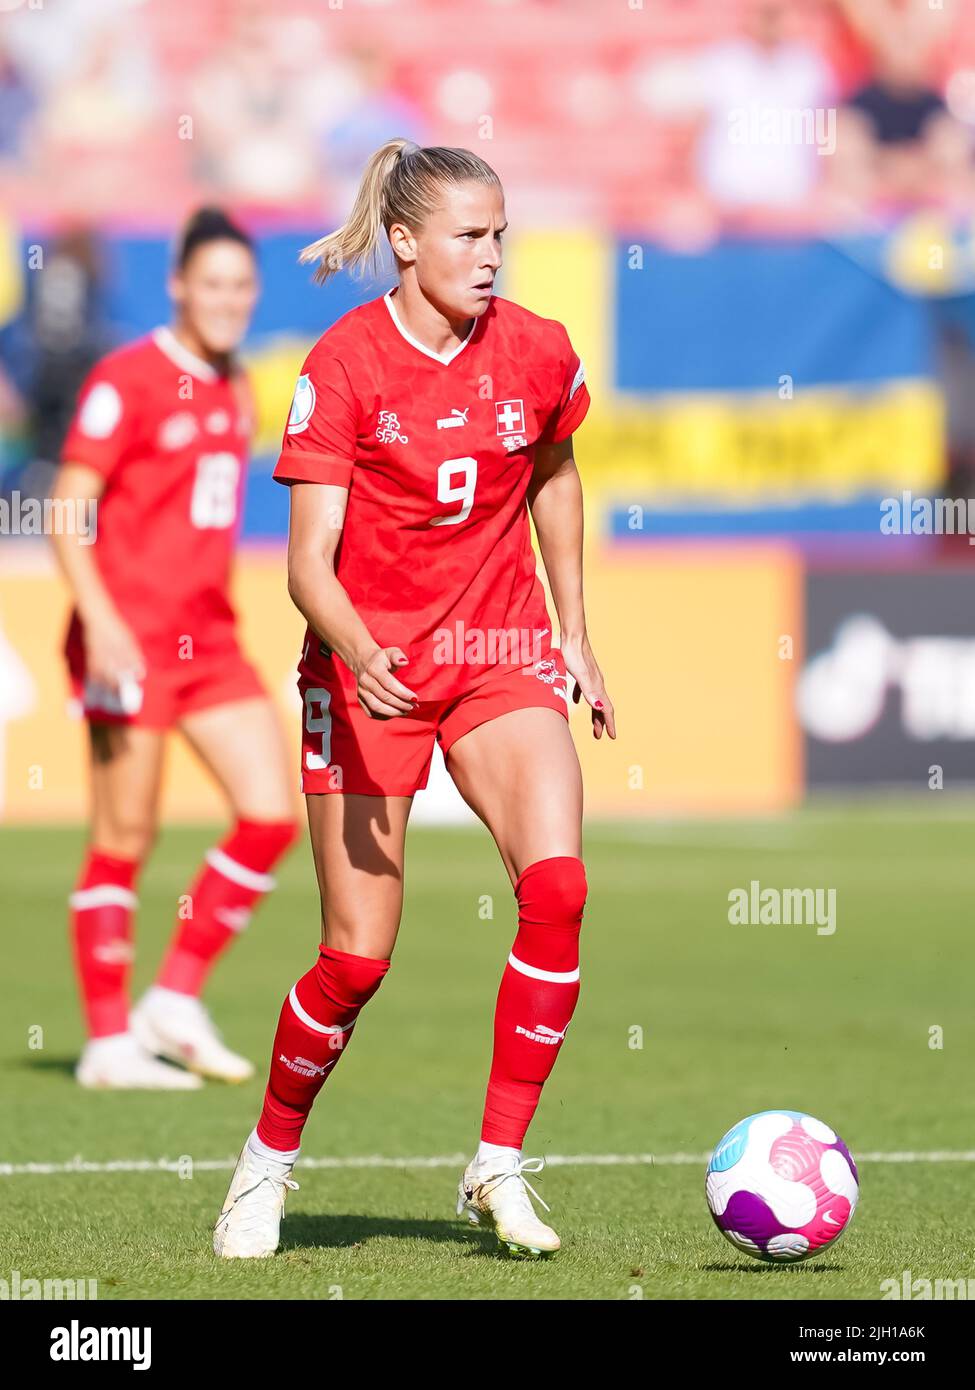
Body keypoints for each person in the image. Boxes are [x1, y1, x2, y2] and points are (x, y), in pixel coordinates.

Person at [213, 139, 616, 1261]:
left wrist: (573, 633)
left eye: (502, 234)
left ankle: (498, 1160)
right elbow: (306, 564)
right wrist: (359, 648)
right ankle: (266, 1164)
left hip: (499, 650)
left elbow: (555, 473)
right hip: (367, 671)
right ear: (404, 241)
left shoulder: (536, 350)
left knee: (561, 885)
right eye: (469, 237)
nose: (493, 256)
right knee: (356, 959)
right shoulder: (342, 365)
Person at [49, 208, 298, 1091]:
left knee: (272, 816)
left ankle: (175, 997)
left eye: (242, 287)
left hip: (209, 639)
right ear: (178, 285)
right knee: (126, 832)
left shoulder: (240, 386)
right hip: (129, 637)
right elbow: (66, 508)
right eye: (212, 284)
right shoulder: (129, 379)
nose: (228, 302)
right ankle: (108, 1041)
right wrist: (102, 620)